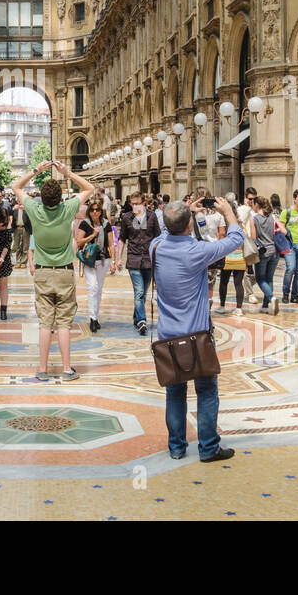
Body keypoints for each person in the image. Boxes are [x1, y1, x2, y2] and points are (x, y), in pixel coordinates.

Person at [152, 198, 244, 462]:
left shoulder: (155, 247)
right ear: (190, 224)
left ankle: (177, 447)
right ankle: (208, 447)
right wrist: (227, 212)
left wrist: (183, 214)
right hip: (198, 335)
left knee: (175, 391)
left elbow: (167, 229)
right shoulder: (198, 251)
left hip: (168, 335)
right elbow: (235, 239)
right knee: (206, 390)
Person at [12, 159, 92, 380]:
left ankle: (42, 369)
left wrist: (37, 170)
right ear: (59, 197)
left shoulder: (34, 209)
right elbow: (89, 188)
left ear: (41, 197)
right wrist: (67, 173)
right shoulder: (68, 208)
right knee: (64, 322)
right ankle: (67, 369)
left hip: (43, 272)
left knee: (45, 323)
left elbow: (16, 186)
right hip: (65, 271)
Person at [117, 191, 160, 336]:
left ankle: (136, 316)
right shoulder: (126, 218)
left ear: (144, 203)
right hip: (133, 258)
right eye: (132, 204)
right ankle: (142, 321)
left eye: (137, 203)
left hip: (148, 260)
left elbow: (158, 238)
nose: (135, 206)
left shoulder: (152, 217)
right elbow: (122, 238)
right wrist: (118, 258)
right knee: (140, 291)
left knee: (143, 293)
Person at [76, 199, 114, 332]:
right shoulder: (84, 224)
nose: (95, 212)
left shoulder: (106, 224)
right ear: (89, 211)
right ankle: (92, 318)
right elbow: (79, 242)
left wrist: (113, 261)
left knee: (98, 289)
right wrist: (92, 235)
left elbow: (110, 243)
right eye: (92, 210)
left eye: (97, 209)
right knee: (93, 287)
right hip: (89, 261)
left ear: (101, 211)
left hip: (103, 260)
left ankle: (96, 317)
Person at [277, 190, 298, 305]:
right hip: (289, 245)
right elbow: (281, 228)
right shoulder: (286, 212)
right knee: (290, 268)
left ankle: (295, 295)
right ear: (294, 199)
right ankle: (285, 294)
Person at [251, 197, 280, 315]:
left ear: (256, 205)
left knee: (260, 278)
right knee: (269, 278)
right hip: (274, 251)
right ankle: (265, 305)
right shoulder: (272, 217)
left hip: (263, 252)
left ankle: (272, 298)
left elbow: (253, 237)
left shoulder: (254, 219)